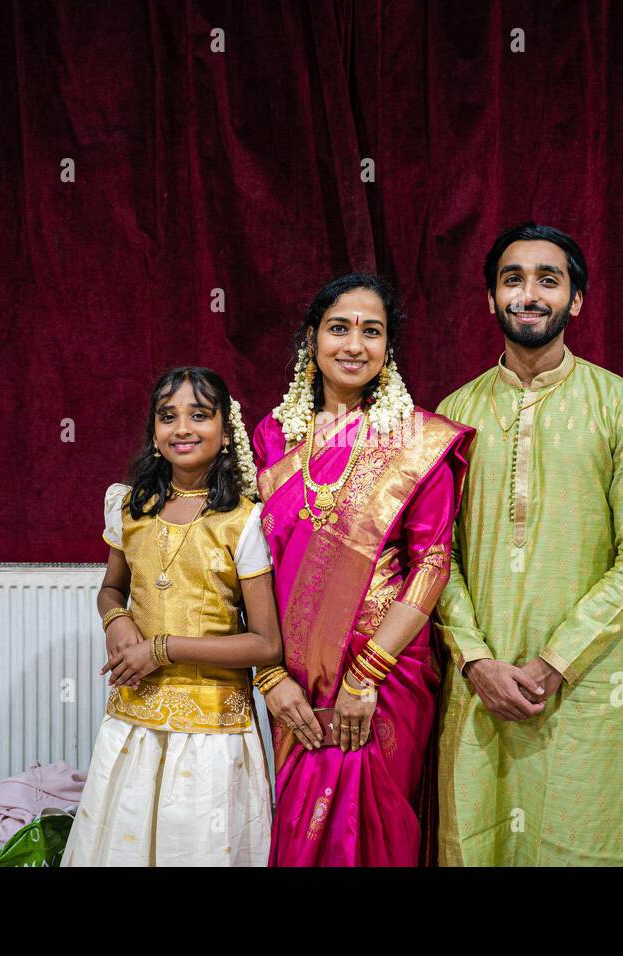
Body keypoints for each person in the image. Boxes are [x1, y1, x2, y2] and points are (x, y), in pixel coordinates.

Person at [433, 222, 623, 866]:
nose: (529, 293)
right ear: (490, 298)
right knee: (478, 841)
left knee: (580, 839)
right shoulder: (451, 417)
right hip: (479, 683)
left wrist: (553, 664)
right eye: (513, 279)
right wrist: (478, 661)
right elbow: (435, 558)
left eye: (548, 279)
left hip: (582, 684)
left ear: (577, 299)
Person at [250, 273, 473, 866]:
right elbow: (248, 565)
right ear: (311, 340)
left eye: (371, 332)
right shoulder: (272, 437)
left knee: (372, 834)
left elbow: (432, 564)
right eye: (338, 328)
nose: (354, 344)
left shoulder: (416, 439)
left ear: (387, 349)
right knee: (299, 835)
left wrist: (364, 675)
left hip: (385, 677)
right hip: (293, 679)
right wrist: (271, 678)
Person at [61, 366, 282, 867]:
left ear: (226, 432)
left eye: (199, 415)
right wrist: (115, 620)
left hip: (211, 734)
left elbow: (266, 644)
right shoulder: (129, 507)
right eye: (168, 416)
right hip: (134, 723)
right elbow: (111, 589)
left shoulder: (244, 520)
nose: (182, 428)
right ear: (154, 433)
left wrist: (162, 648)